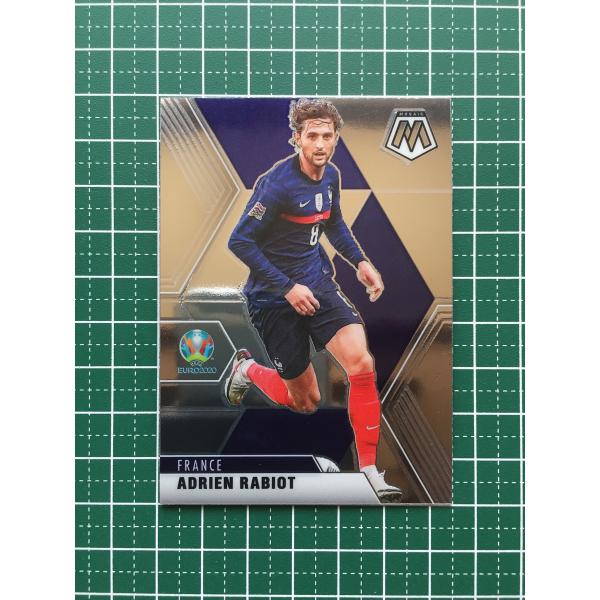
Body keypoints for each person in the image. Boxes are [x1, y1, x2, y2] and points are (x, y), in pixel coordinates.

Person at [224, 98, 402, 501]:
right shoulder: (277, 184)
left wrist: (360, 261)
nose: (320, 144)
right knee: (305, 402)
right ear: (297, 139)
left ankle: (369, 471)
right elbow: (240, 241)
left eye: (327, 135)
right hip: (273, 299)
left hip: (318, 284)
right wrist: (287, 287)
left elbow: (333, 222)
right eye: (312, 136)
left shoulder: (332, 175)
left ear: (336, 138)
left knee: (361, 363)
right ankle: (247, 369)